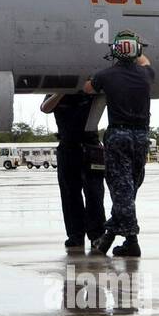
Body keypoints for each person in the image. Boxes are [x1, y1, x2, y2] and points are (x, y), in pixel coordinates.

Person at [84, 30, 154, 257]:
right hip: (141, 137)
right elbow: (145, 62)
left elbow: (88, 89)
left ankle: (127, 239)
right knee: (130, 189)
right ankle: (112, 239)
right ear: (138, 51)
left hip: (118, 136)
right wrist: (137, 47)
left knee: (121, 190)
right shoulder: (146, 74)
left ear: (114, 51)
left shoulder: (106, 75)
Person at [41, 91, 106, 250]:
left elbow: (107, 95)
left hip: (90, 145)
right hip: (67, 147)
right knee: (70, 194)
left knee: (94, 193)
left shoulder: (92, 90)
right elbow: (45, 108)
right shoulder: (57, 90)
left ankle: (97, 235)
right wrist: (61, 92)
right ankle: (75, 235)